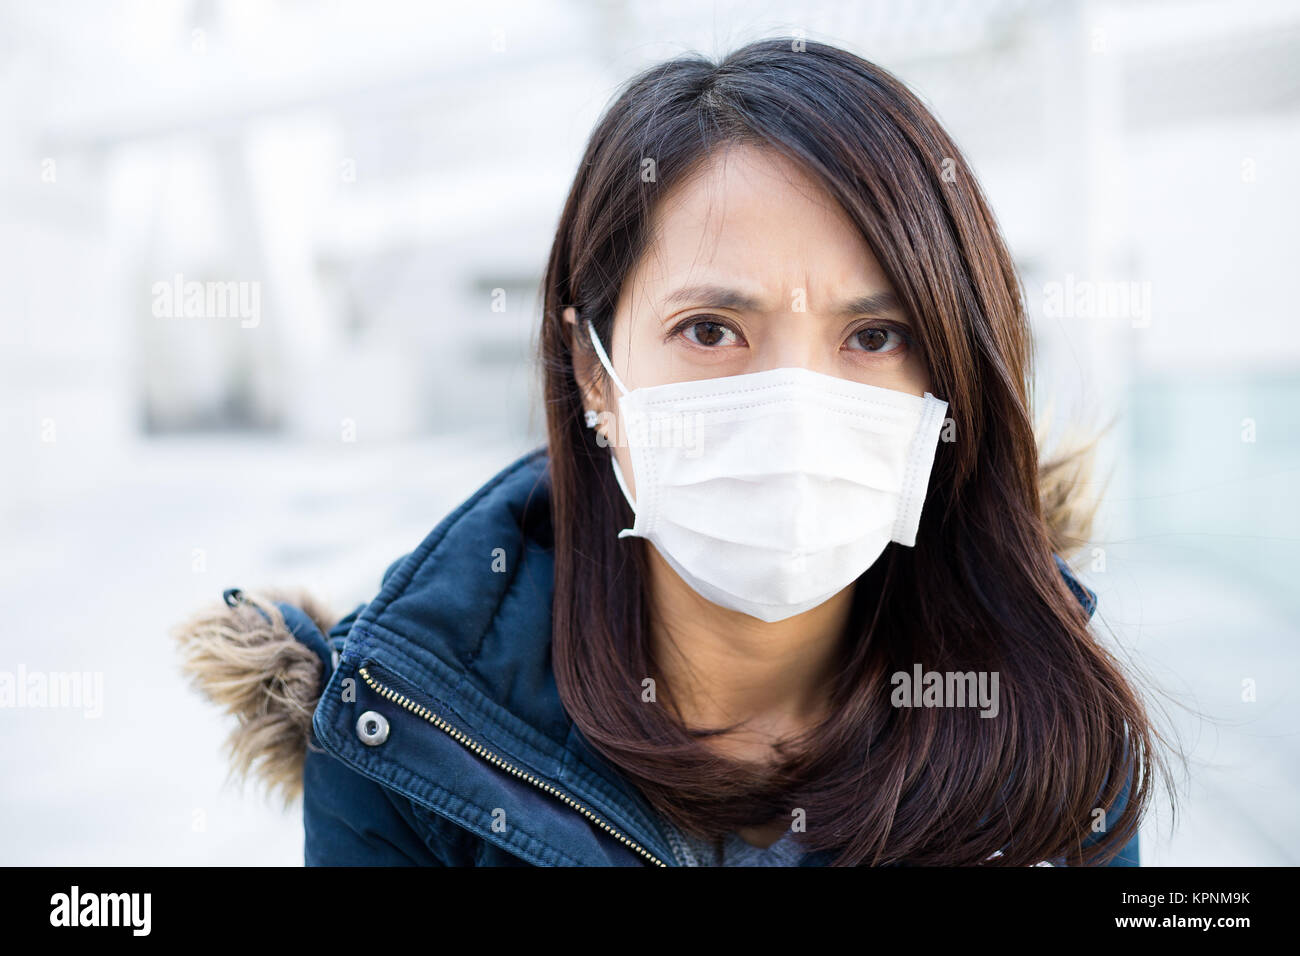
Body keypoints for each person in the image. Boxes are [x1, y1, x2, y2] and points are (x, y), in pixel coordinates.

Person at [173, 37, 1167, 866]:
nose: (795, 404)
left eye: (873, 336)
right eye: (710, 329)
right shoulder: (405, 737)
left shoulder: (1050, 716)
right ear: (595, 371)